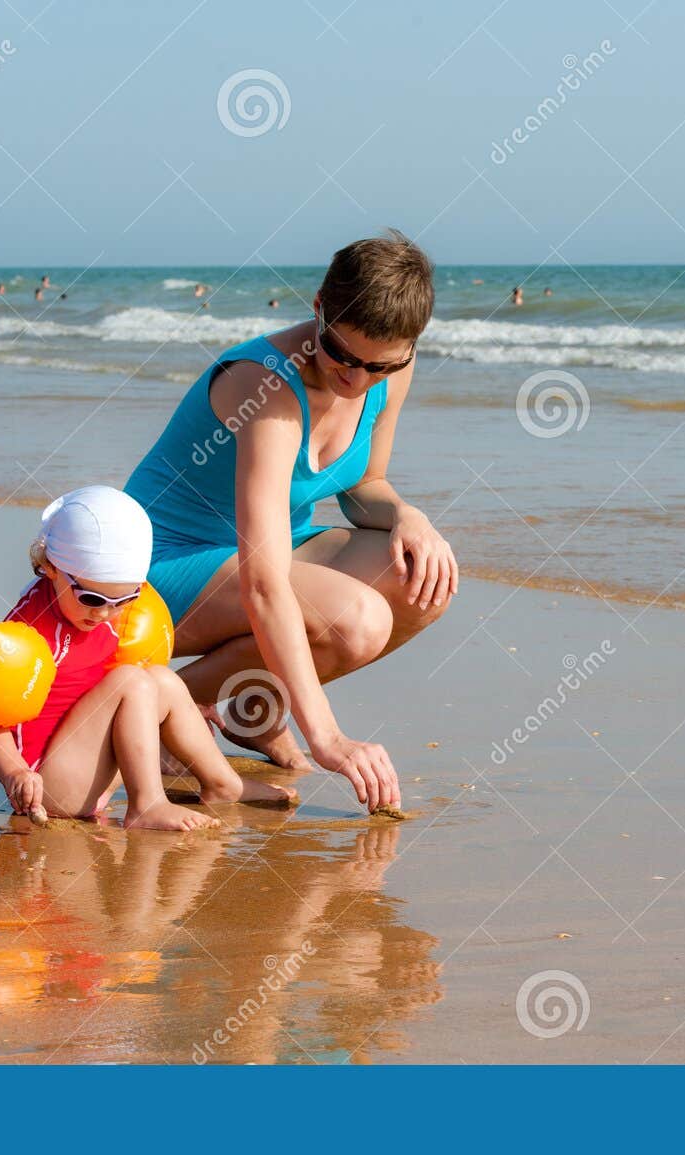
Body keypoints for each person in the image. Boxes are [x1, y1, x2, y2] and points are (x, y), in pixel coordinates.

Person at [125, 230, 455, 813]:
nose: (356, 379)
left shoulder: (390, 368)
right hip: (160, 564)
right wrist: (326, 736)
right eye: (342, 355)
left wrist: (408, 515)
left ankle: (247, 705)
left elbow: (364, 485)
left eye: (378, 365)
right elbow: (262, 583)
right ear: (320, 308)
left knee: (420, 579)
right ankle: (151, 711)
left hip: (268, 544)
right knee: (357, 620)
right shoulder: (267, 384)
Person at [0, 486, 294, 830]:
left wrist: (172, 716)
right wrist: (15, 773)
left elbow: (96, 692)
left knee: (161, 680)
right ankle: (146, 805)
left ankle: (222, 783)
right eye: (93, 598)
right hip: (51, 787)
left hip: (89, 763)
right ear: (50, 566)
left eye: (125, 599)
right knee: (132, 681)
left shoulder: (105, 613)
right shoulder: (27, 632)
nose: (106, 614)